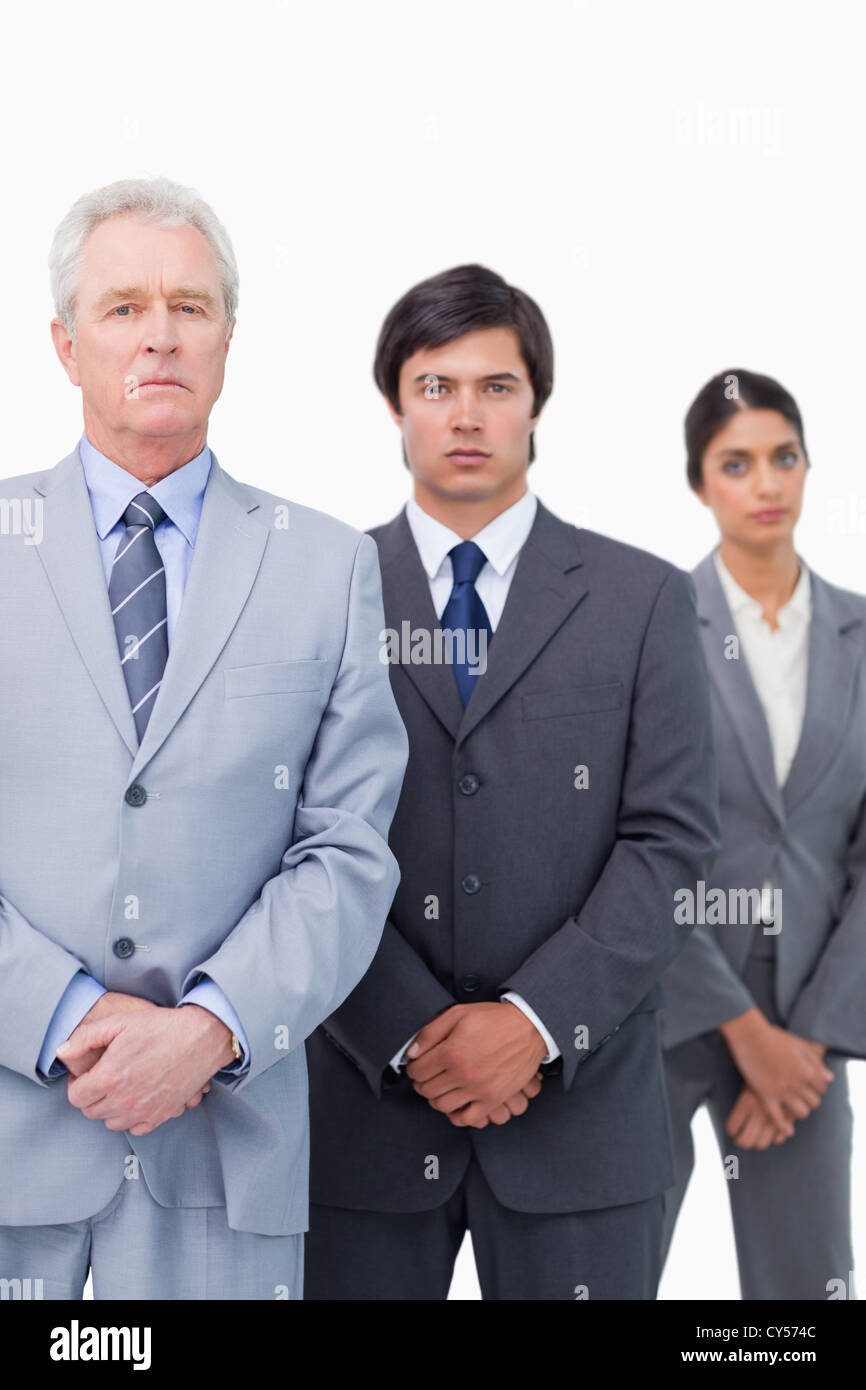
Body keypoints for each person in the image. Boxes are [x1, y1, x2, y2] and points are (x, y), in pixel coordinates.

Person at [0, 176, 407, 1300]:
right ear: (63, 343)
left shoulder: (325, 567)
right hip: (14, 1154)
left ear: (230, 337)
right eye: (123, 306)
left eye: (191, 305)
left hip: (227, 1167)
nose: (160, 335)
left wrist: (210, 1029)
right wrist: (68, 1018)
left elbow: (349, 849)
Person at [304, 263, 720, 1300]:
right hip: (361, 1120)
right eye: (435, 386)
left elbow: (669, 843)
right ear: (394, 406)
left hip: (582, 1126)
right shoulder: (313, 595)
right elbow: (280, 833)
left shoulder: (642, 599)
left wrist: (531, 1021)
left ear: (535, 404)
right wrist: (411, 1031)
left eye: (494, 386)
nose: (465, 415)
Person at [659, 367, 866, 1300]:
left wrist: (810, 1040)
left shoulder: (863, 633)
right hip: (661, 1011)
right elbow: (632, 842)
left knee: (803, 1300)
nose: (767, 483)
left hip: (811, 1028)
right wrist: (744, 1030)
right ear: (700, 483)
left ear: (811, 466)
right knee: (610, 1276)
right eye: (736, 464)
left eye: (784, 457)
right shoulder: (651, 624)